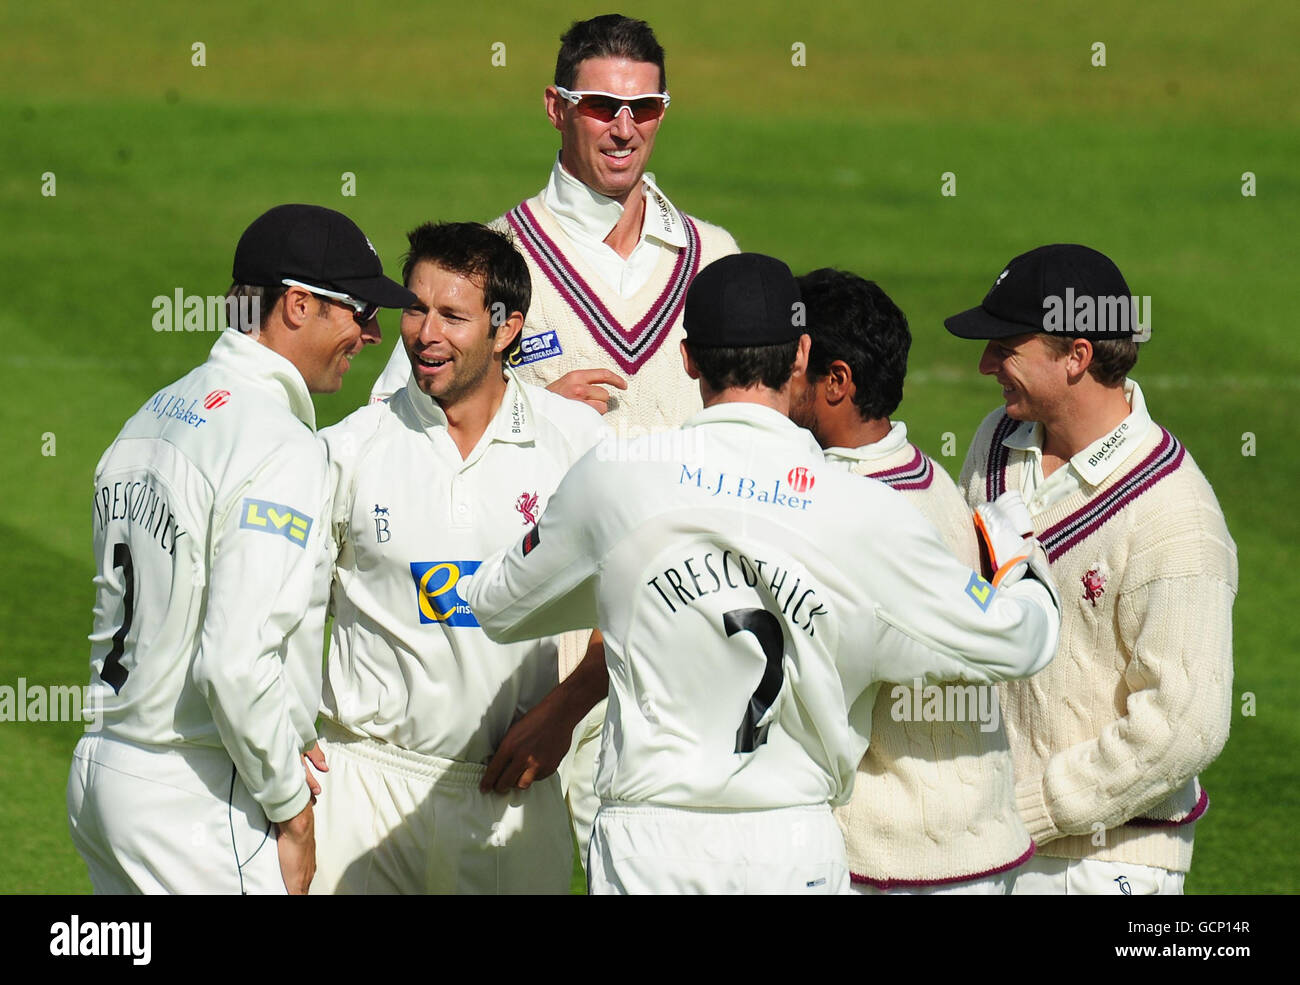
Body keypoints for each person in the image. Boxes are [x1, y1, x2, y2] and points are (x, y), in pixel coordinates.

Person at [462, 253, 1062, 894]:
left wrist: (613, 585)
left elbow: (496, 606)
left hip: (649, 847)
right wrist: (1019, 560)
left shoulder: (612, 478)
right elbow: (1021, 641)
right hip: (791, 845)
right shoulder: (865, 511)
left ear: (688, 359)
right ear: (801, 356)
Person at [372, 13, 742, 864]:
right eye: (601, 105)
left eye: (645, 107)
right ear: (555, 106)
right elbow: (401, 430)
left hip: (698, 638)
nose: (623, 127)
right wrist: (521, 399)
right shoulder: (492, 260)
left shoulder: (713, 255)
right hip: (540, 653)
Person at [67, 204, 412, 894]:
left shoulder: (153, 413)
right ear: (297, 304)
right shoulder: (278, 446)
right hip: (190, 796)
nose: (374, 335)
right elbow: (232, 660)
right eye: (359, 312)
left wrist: (290, 726)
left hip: (103, 769)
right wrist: (292, 811)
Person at [301, 222, 604, 894]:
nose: (425, 333)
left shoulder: (579, 445)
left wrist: (567, 708)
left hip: (510, 795)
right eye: (415, 308)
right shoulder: (351, 448)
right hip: (363, 786)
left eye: (452, 315)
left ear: (505, 328)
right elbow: (281, 608)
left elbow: (648, 596)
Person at [948, 243, 1237, 895]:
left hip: (1105, 866)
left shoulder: (1175, 515)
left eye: (1006, 346)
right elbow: (975, 595)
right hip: (991, 842)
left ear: (1076, 356)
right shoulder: (997, 440)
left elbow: (1184, 724)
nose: (985, 363)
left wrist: (1033, 810)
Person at [789, 268, 1034, 894]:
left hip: (903, 859)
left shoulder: (861, 512)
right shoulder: (924, 479)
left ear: (836, 382)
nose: (773, 381)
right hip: (956, 843)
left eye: (790, 365)